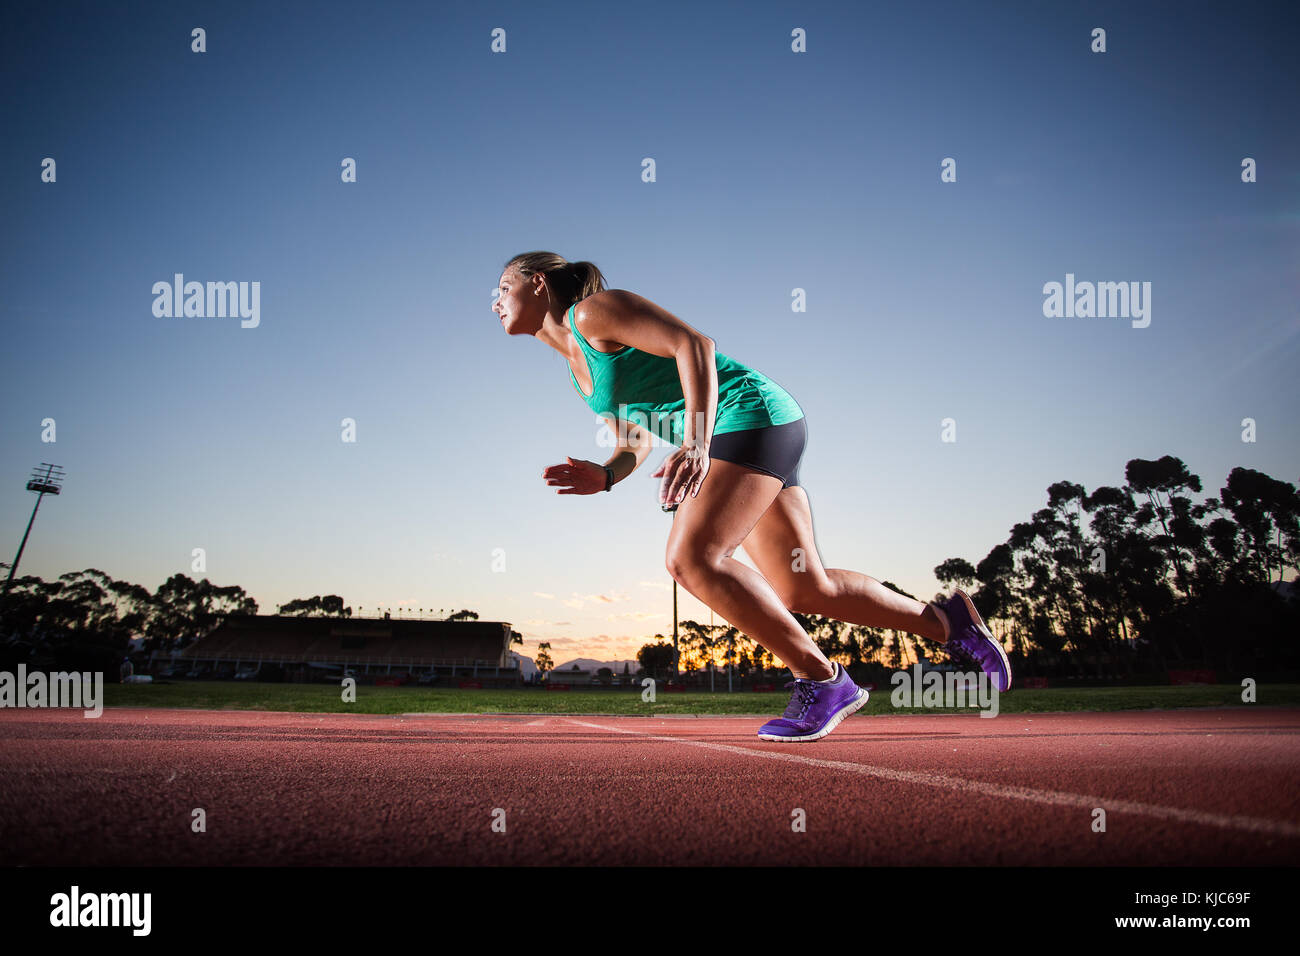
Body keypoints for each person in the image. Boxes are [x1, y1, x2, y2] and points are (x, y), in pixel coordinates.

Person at [496, 252, 1011, 741]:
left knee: (693, 559)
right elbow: (636, 436)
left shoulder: (593, 312)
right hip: (761, 428)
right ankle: (948, 623)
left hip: (746, 417)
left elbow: (694, 346)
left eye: (503, 287)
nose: (495, 302)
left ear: (538, 281)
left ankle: (824, 679)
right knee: (804, 588)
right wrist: (607, 475)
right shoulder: (576, 373)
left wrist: (696, 442)